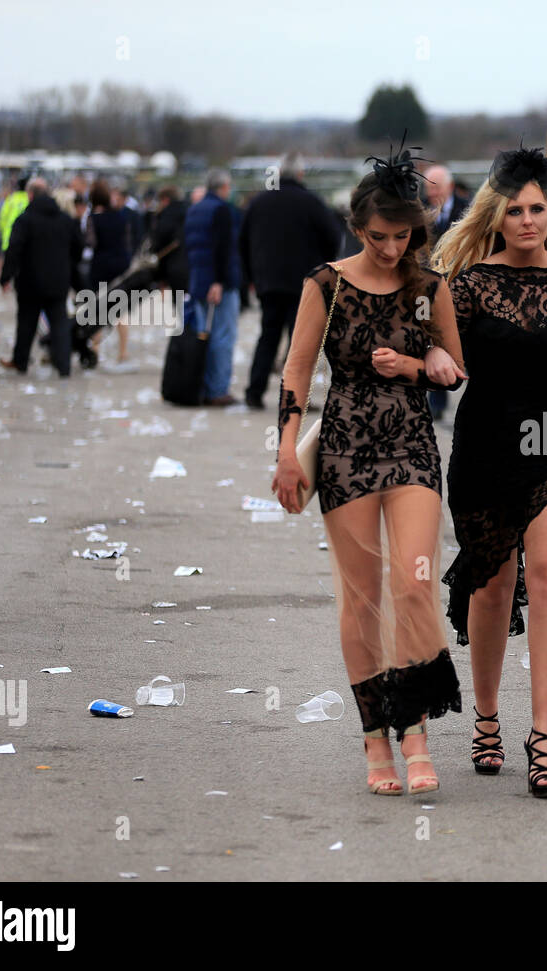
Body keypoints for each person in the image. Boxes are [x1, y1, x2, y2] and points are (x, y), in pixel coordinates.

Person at [271, 150, 467, 796]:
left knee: (413, 584)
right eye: (378, 236)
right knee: (360, 598)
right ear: (358, 227)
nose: (390, 248)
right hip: (346, 446)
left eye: (402, 236)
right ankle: (374, 737)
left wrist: (420, 364)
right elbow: (297, 370)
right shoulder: (324, 284)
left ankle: (415, 730)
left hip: (411, 443)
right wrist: (284, 450)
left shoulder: (429, 287)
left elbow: (456, 370)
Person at [430, 146, 547, 798]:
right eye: (517, 210)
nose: (529, 220)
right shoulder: (469, 284)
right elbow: (438, 355)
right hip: (482, 449)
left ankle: (544, 740)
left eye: (539, 208)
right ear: (498, 216)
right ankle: (485, 718)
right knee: (492, 587)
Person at [239, 152, 342, 410]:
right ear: (300, 174)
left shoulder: (259, 202)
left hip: (268, 282)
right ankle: (295, 399)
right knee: (301, 342)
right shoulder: (311, 202)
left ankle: (254, 392)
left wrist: (252, 275)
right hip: (304, 282)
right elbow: (333, 237)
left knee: (268, 336)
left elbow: (242, 241)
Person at [0, 178, 83, 376]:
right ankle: (64, 365)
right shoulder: (65, 219)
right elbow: (78, 248)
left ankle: (21, 361)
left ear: (30, 195)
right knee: (59, 323)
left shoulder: (25, 219)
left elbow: (14, 249)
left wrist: (6, 276)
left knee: (26, 323)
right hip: (58, 281)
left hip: (30, 281)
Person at [184, 169, 240, 406]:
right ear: (224, 187)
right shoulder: (221, 210)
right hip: (218, 284)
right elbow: (222, 248)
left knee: (203, 335)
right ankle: (218, 389)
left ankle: (204, 385)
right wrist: (218, 280)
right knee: (223, 336)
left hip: (198, 280)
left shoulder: (195, 209)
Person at [424, 164, 471, 422]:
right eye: (428, 187)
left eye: (436, 187)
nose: (432, 193)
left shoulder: (468, 208)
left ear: (450, 187)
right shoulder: (419, 208)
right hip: (430, 287)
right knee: (437, 341)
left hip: (463, 283)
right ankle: (437, 401)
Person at [82, 179, 135, 367]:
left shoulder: (93, 219)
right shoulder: (122, 217)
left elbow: (91, 243)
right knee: (120, 309)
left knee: (98, 309)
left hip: (100, 266)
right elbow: (127, 242)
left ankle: (95, 348)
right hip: (120, 266)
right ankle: (123, 351)